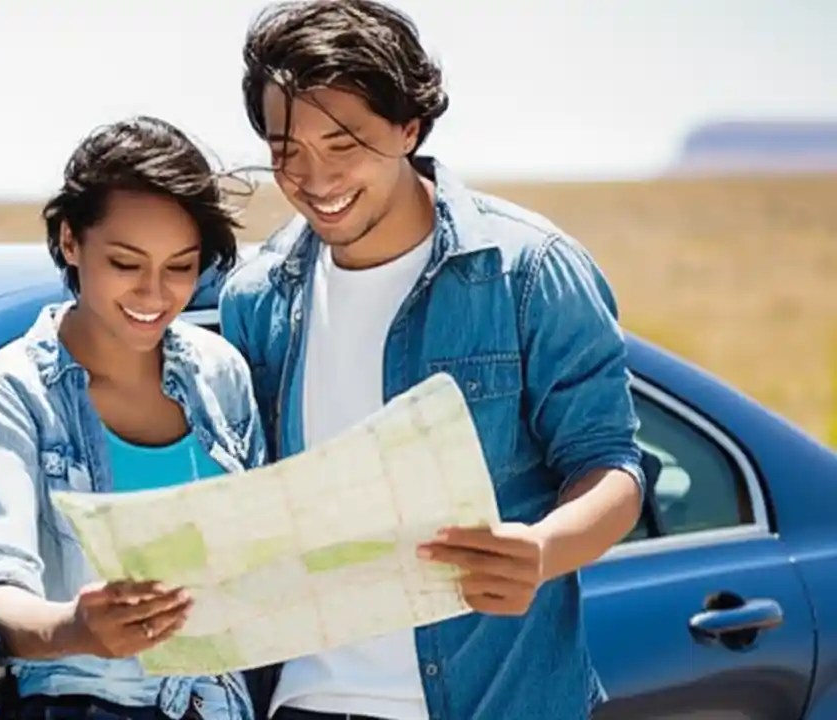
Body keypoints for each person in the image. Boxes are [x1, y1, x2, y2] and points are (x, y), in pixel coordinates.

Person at [218, 1, 645, 718]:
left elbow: (612, 469)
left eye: (344, 144)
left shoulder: (529, 270)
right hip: (304, 702)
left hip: (493, 700)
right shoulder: (255, 299)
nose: (313, 178)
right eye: (287, 149)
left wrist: (540, 551)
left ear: (409, 127)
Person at [0, 116, 264, 720]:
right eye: (126, 263)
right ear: (71, 241)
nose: (155, 294)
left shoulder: (219, 372)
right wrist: (76, 626)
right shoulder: (10, 394)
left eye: (180, 267)